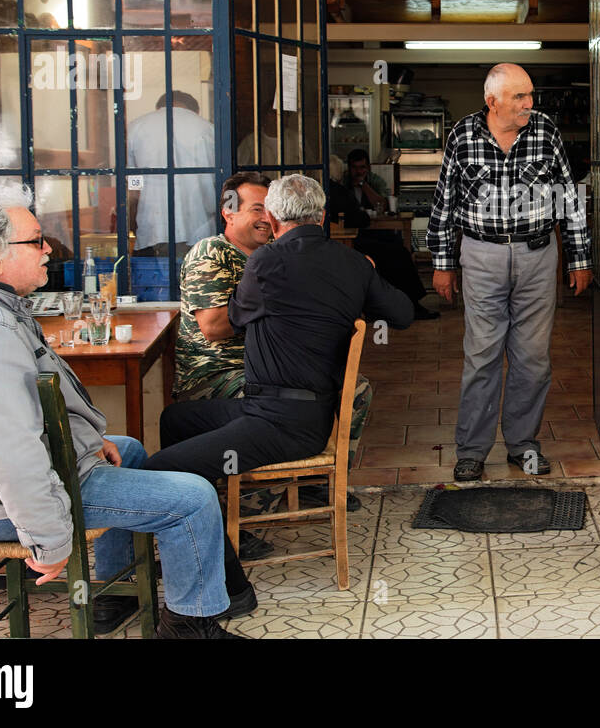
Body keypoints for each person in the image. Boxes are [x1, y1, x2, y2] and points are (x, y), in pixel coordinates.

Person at [0, 184, 242, 637]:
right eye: (35, 241)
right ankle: (189, 627)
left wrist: (89, 440)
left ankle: (109, 591)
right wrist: (48, 540)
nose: (48, 249)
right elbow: (12, 445)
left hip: (0, 482)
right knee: (194, 498)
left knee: (126, 449)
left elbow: (29, 417)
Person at [142, 175, 414, 599]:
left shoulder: (265, 262)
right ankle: (209, 527)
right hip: (300, 410)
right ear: (322, 216)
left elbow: (229, 320)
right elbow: (401, 314)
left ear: (271, 216)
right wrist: (361, 277)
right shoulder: (351, 262)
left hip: (279, 421)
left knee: (159, 471)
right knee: (176, 420)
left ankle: (230, 589)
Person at [428, 63, 592, 482]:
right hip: (481, 257)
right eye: (519, 97)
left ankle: (523, 444)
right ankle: (472, 450)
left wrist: (578, 258)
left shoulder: (545, 130)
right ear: (492, 101)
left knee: (533, 358)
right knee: (481, 356)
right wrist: (443, 265)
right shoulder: (462, 135)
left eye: (530, 95)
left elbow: (568, 198)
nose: (529, 103)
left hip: (538, 256)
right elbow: (444, 203)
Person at [174, 171, 272, 402]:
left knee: (350, 388)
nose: (267, 218)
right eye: (257, 209)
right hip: (215, 375)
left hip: (267, 367)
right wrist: (275, 300)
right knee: (281, 398)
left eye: (270, 210)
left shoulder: (275, 252)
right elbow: (213, 327)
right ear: (229, 213)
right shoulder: (211, 252)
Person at [327, 154, 437, 321]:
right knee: (397, 253)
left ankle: (402, 301)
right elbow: (360, 219)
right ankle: (410, 303)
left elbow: (383, 204)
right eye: (354, 168)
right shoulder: (340, 190)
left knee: (393, 245)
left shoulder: (368, 182)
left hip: (346, 241)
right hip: (348, 243)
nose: (357, 172)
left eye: (362, 167)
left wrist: (363, 186)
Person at [126, 90, 218, 258]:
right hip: (201, 229)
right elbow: (220, 181)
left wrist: (131, 225)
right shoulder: (209, 130)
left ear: (158, 108)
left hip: (153, 230)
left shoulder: (135, 128)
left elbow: (134, 186)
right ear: (194, 110)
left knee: (154, 282)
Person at [342, 148, 391, 212]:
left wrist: (363, 184)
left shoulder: (376, 181)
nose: (358, 171)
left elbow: (383, 206)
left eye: (362, 167)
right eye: (354, 167)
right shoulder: (343, 181)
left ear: (368, 168)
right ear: (349, 168)